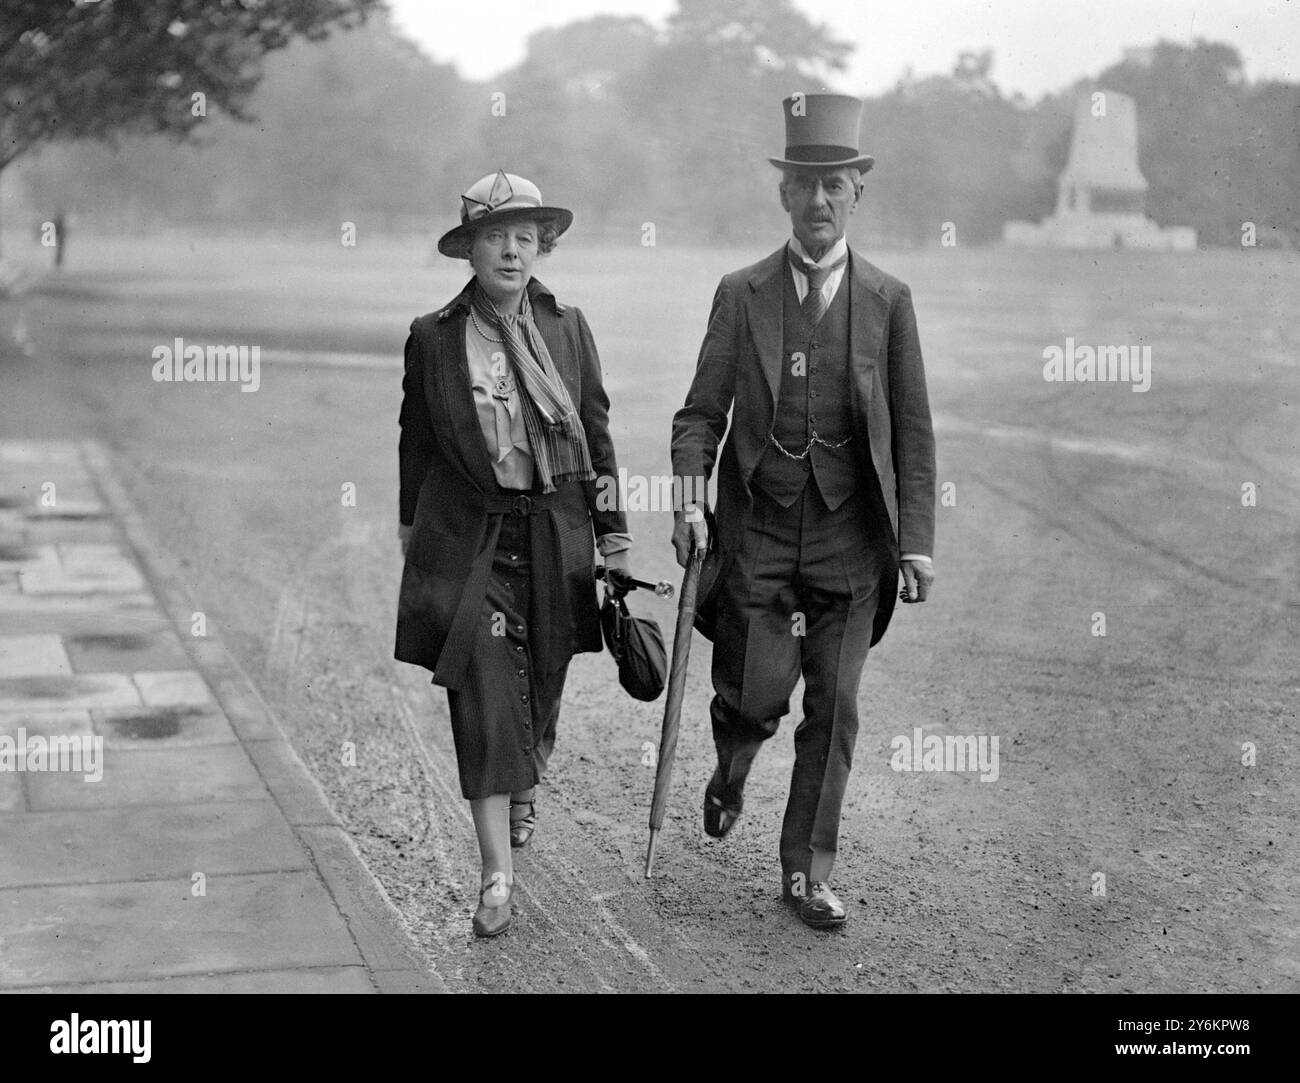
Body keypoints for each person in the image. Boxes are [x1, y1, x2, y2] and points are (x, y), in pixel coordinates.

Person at [670, 94, 936, 930]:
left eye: (835, 185)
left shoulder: (889, 300)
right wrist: (689, 500)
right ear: (783, 193)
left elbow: (915, 431)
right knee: (752, 696)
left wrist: (917, 543)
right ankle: (731, 768)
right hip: (755, 534)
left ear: (857, 190)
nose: (819, 203)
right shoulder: (740, 293)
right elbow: (698, 417)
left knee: (837, 706)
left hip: (850, 541)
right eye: (804, 185)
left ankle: (805, 873)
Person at [396, 170, 632, 937]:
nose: (511, 250)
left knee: (547, 675)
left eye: (525, 237)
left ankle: (527, 772)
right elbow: (418, 440)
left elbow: (595, 436)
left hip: (555, 531)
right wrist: (411, 527)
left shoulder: (567, 326)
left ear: (542, 248)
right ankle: (496, 875)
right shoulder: (433, 337)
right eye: (495, 236)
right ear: (469, 248)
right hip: (475, 537)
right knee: (482, 697)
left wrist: (615, 534)